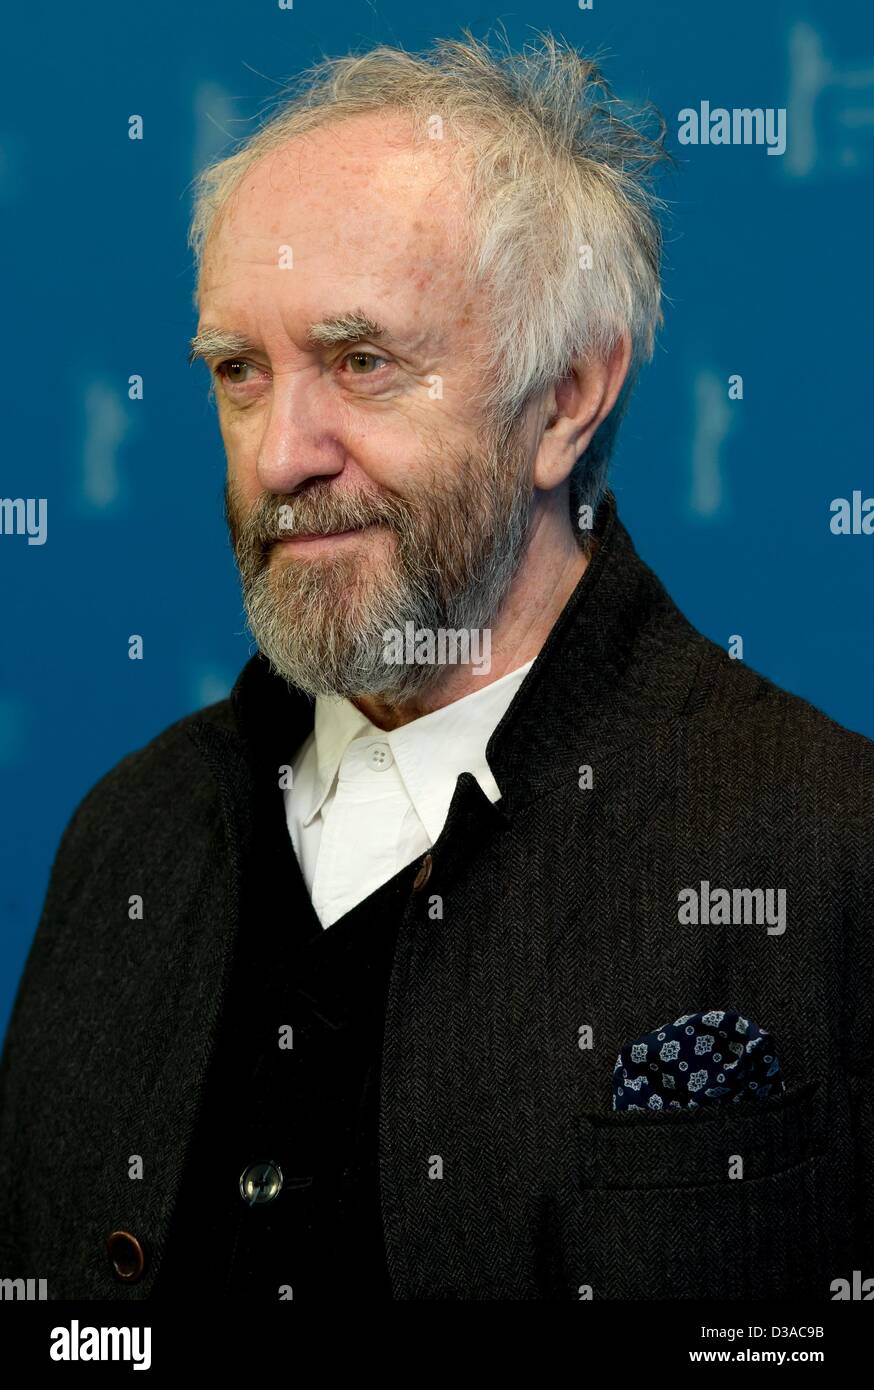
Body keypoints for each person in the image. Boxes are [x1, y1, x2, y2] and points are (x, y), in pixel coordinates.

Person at [1, 31, 871, 1302]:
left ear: (565, 396)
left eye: (361, 362)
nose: (282, 452)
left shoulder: (829, 844)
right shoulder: (124, 840)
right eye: (240, 373)